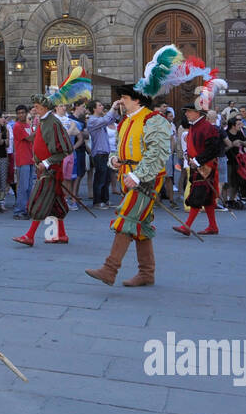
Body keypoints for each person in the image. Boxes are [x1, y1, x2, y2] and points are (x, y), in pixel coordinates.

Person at [85, 86, 172, 288]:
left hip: (146, 179)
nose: (121, 101)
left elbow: (157, 154)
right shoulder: (125, 120)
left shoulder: (154, 120)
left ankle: (110, 269)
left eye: (124, 97)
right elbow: (118, 147)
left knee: (126, 218)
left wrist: (138, 175)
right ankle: (146, 272)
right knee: (141, 225)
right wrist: (115, 160)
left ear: (138, 100)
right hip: (128, 176)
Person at [13, 69, 89, 248]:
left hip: (50, 170)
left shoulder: (53, 123)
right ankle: (60, 234)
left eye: (37, 107)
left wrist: (46, 162)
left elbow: (66, 148)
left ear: (45, 108)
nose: (34, 109)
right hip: (44, 169)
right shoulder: (43, 121)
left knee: (39, 200)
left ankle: (30, 235)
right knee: (55, 203)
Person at [173, 79, 227, 237]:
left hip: (205, 167)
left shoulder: (207, 127)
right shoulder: (195, 126)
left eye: (189, 111)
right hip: (199, 166)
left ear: (197, 113)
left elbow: (214, 148)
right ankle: (213, 226)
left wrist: (197, 160)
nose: (186, 114)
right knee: (208, 198)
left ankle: (187, 226)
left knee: (197, 195)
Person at [86, 99, 115, 208]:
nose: (102, 107)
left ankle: (105, 200)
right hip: (99, 153)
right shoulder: (92, 120)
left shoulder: (100, 119)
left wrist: (116, 109)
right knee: (100, 178)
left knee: (106, 178)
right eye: (100, 105)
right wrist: (113, 107)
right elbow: (107, 119)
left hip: (105, 152)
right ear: (94, 108)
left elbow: (112, 118)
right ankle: (97, 201)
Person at [10, 104, 35, 219]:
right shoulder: (17, 126)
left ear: (26, 113)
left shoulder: (27, 125)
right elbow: (30, 138)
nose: (21, 115)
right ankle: (19, 211)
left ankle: (26, 209)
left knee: (29, 186)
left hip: (30, 158)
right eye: (19, 113)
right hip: (22, 159)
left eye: (23, 112)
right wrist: (39, 128)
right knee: (23, 187)